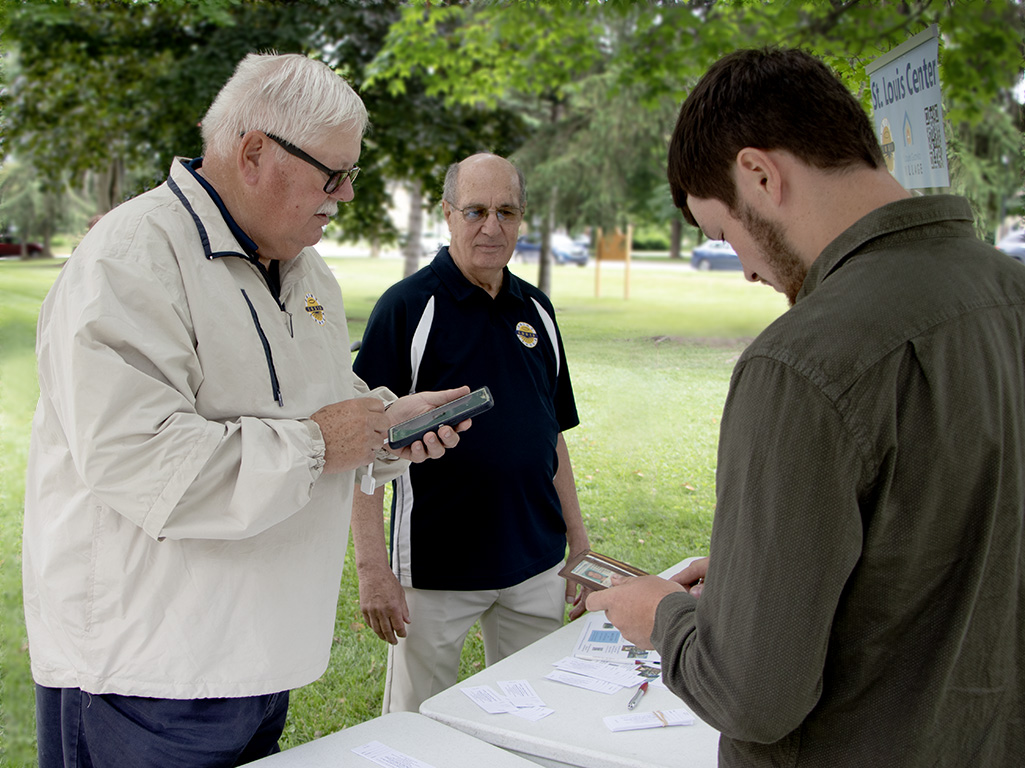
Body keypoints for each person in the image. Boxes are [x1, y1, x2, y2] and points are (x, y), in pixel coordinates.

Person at [23, 53, 470, 768]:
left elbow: (313, 409)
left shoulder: (306, 270)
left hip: (262, 663)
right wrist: (327, 443)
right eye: (333, 174)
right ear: (255, 152)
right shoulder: (132, 257)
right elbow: (142, 462)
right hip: (146, 678)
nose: (346, 194)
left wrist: (384, 427)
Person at [588, 47, 1025, 766]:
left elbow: (753, 695)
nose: (747, 269)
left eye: (724, 235)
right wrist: (750, 580)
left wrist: (661, 617)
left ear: (759, 174)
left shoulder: (800, 360)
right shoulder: (1008, 297)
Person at [351, 153, 590, 713]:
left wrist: (579, 546)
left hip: (537, 563)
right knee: (415, 726)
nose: (492, 226)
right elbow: (360, 446)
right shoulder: (407, 308)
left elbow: (553, 436)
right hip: (437, 569)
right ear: (448, 214)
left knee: (528, 717)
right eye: (476, 210)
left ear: (522, 217)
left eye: (507, 211)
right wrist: (372, 567)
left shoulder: (537, 309)